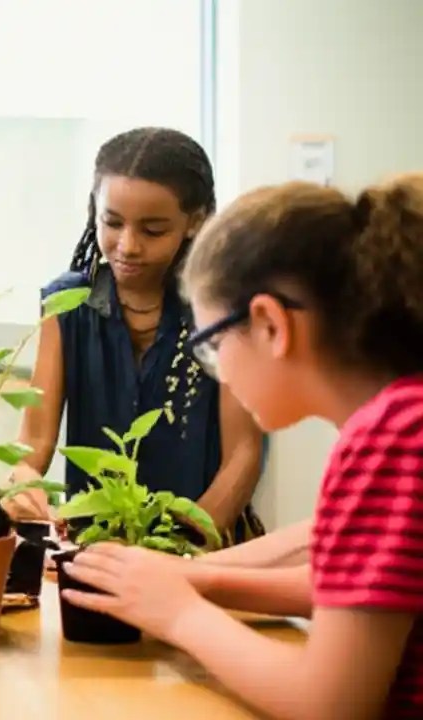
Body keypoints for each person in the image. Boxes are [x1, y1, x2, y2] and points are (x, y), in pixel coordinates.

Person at [62, 175, 423, 717]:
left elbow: (329, 703)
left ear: (270, 325)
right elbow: (347, 577)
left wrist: (179, 613)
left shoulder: (393, 435)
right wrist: (193, 576)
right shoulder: (407, 417)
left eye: (211, 346)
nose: (219, 372)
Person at [8, 127, 265, 543]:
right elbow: (34, 440)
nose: (127, 245)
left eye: (153, 230)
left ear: (195, 221)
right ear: (94, 210)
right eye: (112, 223)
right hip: (93, 550)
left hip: (201, 549)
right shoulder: (66, 305)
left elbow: (243, 455)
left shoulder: (223, 311)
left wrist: (184, 546)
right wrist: (23, 481)